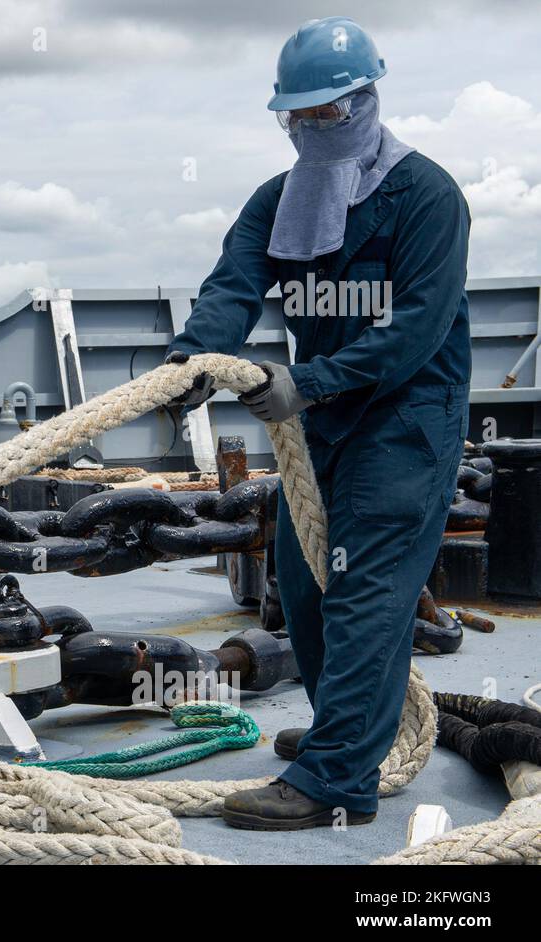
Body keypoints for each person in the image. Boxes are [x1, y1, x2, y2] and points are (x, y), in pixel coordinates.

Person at [164, 16, 471, 830]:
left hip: (405, 421)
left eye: (325, 112)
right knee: (301, 584)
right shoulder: (279, 202)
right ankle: (348, 729)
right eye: (294, 116)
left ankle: (338, 777)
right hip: (324, 423)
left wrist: (305, 382)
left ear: (365, 101)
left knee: (366, 588)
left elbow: (411, 334)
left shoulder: (428, 198)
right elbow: (234, 284)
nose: (309, 128)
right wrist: (195, 359)